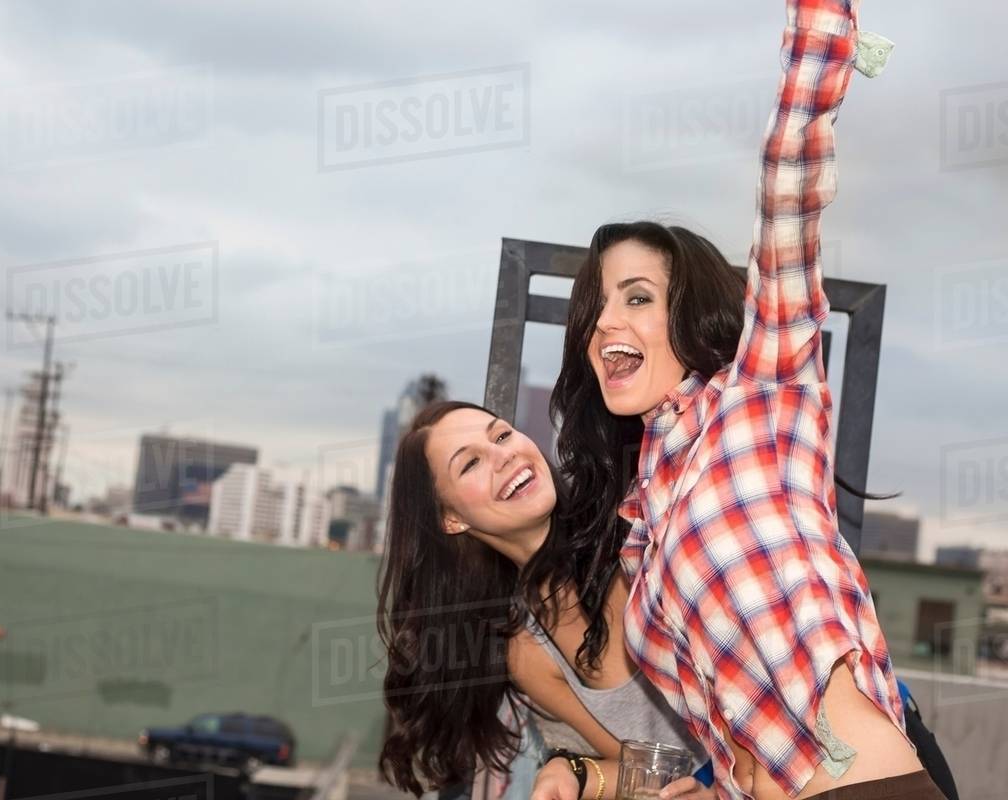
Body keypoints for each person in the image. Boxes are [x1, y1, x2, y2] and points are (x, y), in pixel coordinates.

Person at [544, 1, 945, 798]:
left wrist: (819, 30)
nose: (604, 323)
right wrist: (717, 781)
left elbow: (789, 188)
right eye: (593, 306)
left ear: (689, 308)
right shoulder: (641, 526)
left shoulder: (763, 398)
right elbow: (729, 705)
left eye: (635, 297)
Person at [377, 401, 711, 800]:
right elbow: (638, 771)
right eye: (470, 464)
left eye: (502, 435)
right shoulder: (527, 652)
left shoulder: (634, 529)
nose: (504, 455)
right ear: (451, 518)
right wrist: (571, 771)